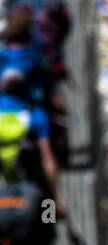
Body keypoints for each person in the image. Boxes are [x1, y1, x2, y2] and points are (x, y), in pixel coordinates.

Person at [0, 65, 65, 218]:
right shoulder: (36, 114)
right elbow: (48, 159)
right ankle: (50, 219)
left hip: (4, 188)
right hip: (33, 186)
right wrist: (57, 198)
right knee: (48, 220)